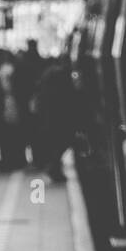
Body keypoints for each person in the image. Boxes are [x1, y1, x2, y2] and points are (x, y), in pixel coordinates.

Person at [30, 53, 75, 182]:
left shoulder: (48, 73)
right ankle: (53, 167)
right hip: (58, 114)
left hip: (48, 114)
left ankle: (53, 168)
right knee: (62, 140)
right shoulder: (61, 74)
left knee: (55, 141)